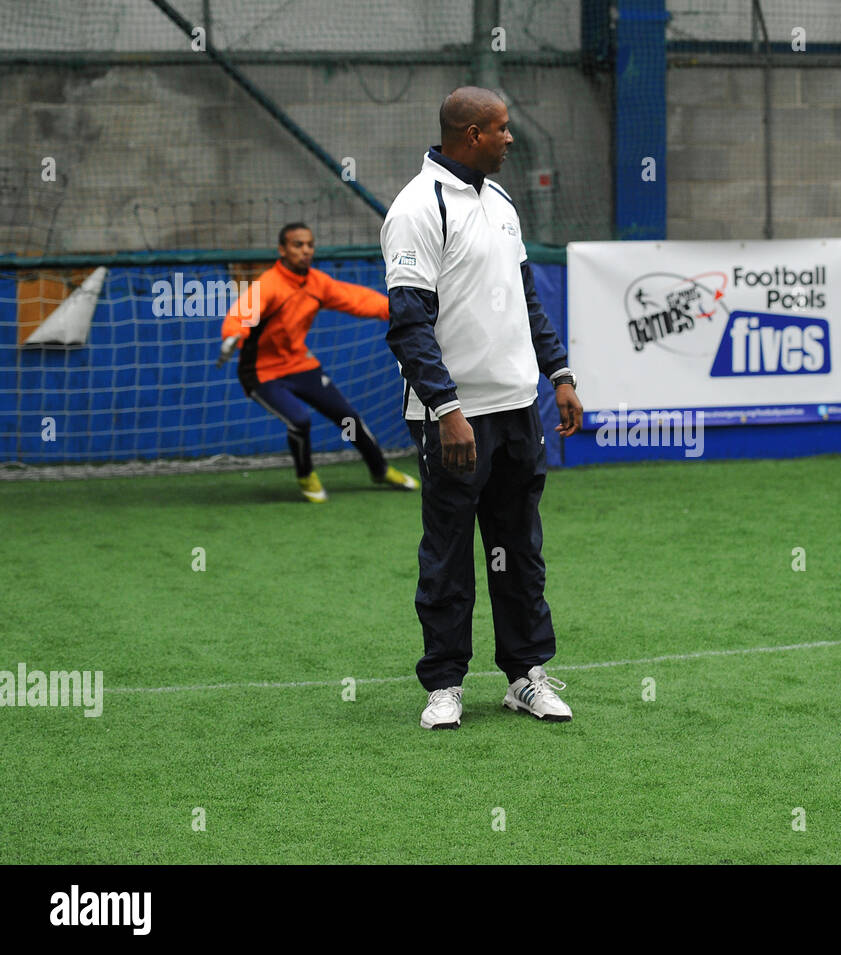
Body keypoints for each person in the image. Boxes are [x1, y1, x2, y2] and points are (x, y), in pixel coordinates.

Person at [380, 87, 583, 730]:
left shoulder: (500, 202)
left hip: (518, 408)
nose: (510, 139)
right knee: (447, 553)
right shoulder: (416, 209)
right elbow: (409, 325)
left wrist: (559, 373)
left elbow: (527, 299)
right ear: (470, 134)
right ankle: (444, 683)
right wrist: (446, 410)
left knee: (519, 549)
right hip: (454, 420)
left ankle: (526, 676)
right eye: (501, 129)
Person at [217, 223, 419, 502]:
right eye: (297, 245)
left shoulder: (317, 283)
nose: (305, 250)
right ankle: (305, 475)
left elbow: (356, 299)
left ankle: (380, 470)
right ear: (282, 250)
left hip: (300, 365)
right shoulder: (268, 285)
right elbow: (243, 314)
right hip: (262, 373)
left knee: (349, 418)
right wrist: (232, 336)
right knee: (299, 420)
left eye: (310, 245)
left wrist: (397, 310)